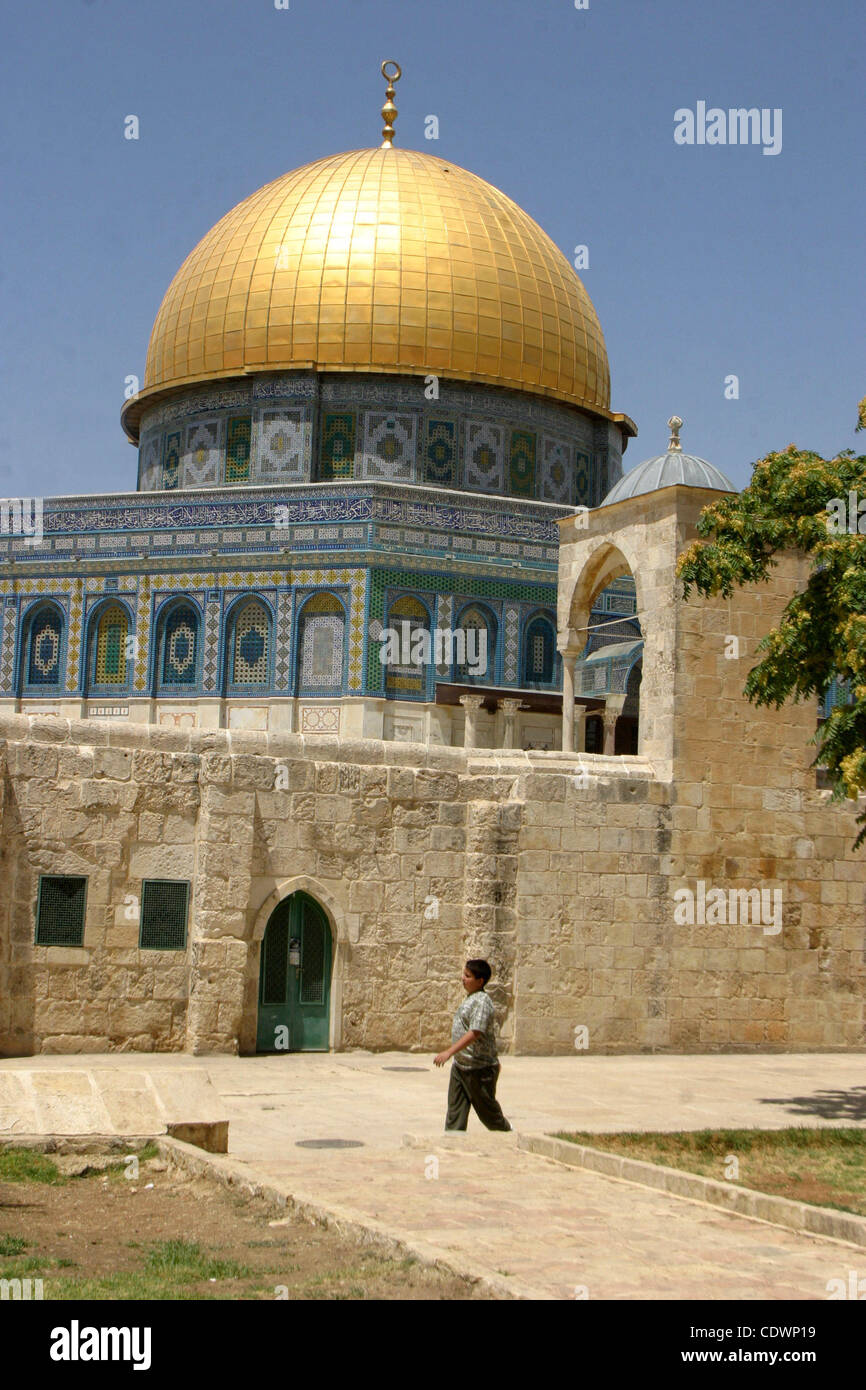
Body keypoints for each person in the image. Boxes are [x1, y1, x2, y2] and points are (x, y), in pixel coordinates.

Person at [434, 959, 511, 1132]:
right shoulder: (471, 999)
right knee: (455, 1113)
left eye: (468, 976)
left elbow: (475, 1032)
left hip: (479, 1068)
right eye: (464, 974)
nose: (463, 978)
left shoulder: (482, 1001)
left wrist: (449, 1052)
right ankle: (452, 1146)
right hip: (461, 1066)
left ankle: (508, 1134)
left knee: (488, 1114)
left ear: (480, 981)